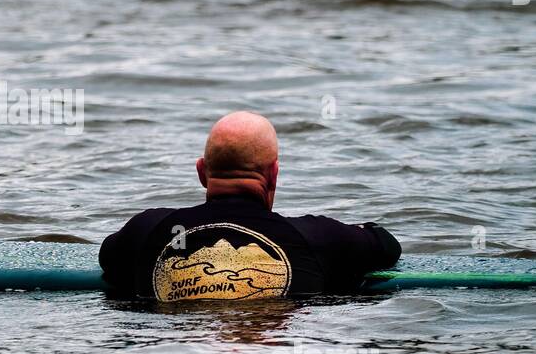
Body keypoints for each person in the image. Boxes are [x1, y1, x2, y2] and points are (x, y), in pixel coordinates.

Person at [99, 111, 401, 301]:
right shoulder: (319, 238)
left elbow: (109, 258)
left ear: (201, 171)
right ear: (273, 174)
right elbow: (387, 247)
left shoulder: (147, 231)